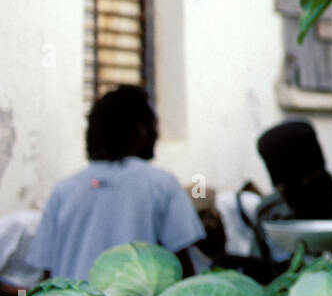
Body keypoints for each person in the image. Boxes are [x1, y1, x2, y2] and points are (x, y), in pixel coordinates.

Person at [25, 86, 204, 282]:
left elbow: (46, 274)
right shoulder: (161, 184)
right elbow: (183, 269)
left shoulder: (64, 189)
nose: (156, 133)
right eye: (153, 125)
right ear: (140, 129)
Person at [250, 120, 332, 271]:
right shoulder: (269, 214)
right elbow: (260, 269)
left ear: (320, 171)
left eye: (307, 181)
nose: (300, 193)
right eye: (287, 187)